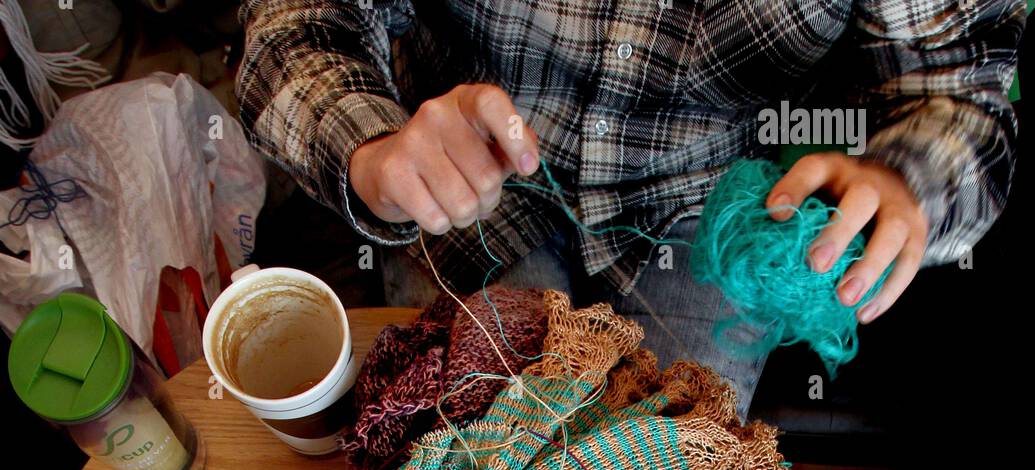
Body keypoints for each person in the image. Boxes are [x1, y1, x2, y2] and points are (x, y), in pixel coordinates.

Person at [235, 0, 1022, 415]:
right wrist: (369, 147)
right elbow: (296, 18)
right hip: (465, 169)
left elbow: (955, 88)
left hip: (707, 204)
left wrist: (909, 176)